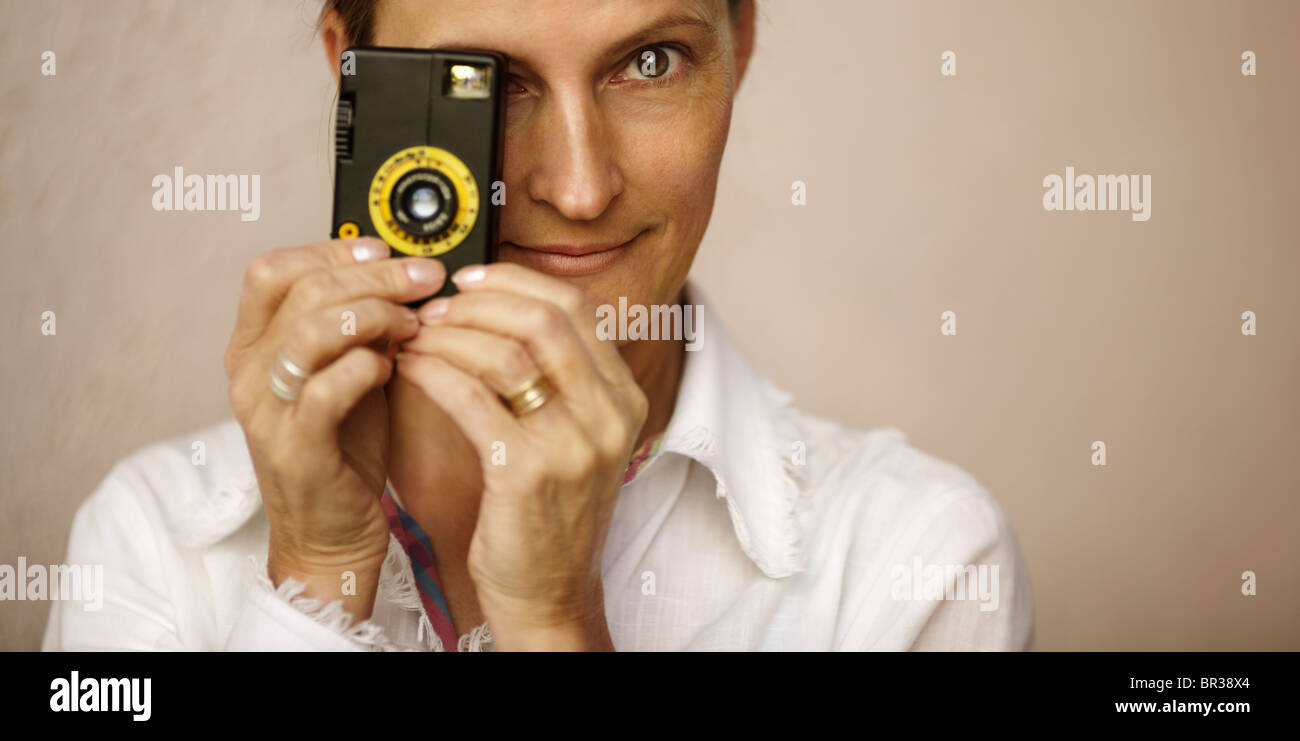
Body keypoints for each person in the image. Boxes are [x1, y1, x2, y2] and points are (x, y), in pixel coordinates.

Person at [43, 0, 1033, 651]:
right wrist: (316, 570)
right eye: (487, 82)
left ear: (741, 49)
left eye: (649, 61)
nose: (580, 184)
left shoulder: (918, 563)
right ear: (356, 78)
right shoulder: (150, 536)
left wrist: (555, 626)